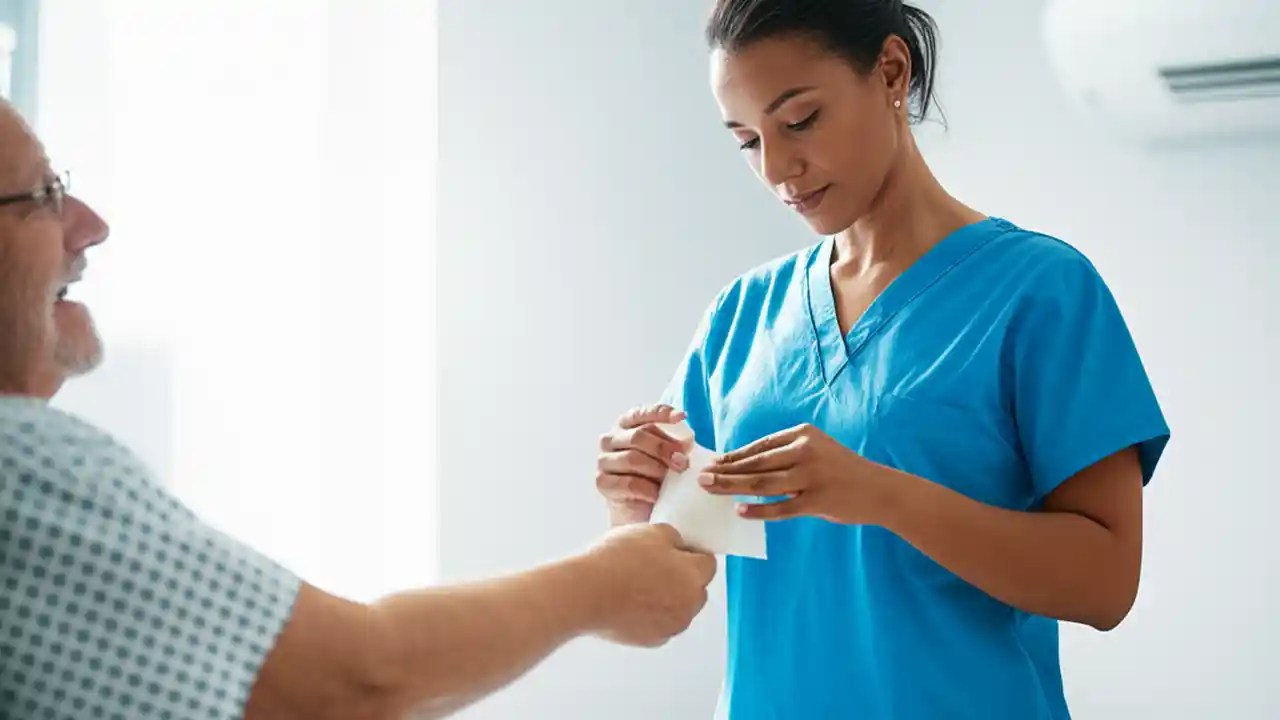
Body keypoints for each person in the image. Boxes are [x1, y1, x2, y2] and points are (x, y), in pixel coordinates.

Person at [0, 100, 717, 720]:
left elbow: (331, 696)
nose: (90, 225)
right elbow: (359, 683)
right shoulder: (22, 463)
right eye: (40, 195)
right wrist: (601, 584)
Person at [595, 2, 1170, 718]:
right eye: (747, 140)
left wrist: (881, 494)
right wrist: (632, 504)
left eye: (800, 120)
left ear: (892, 71)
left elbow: (1106, 586)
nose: (778, 168)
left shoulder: (1040, 291)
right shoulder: (741, 315)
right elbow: (655, 600)